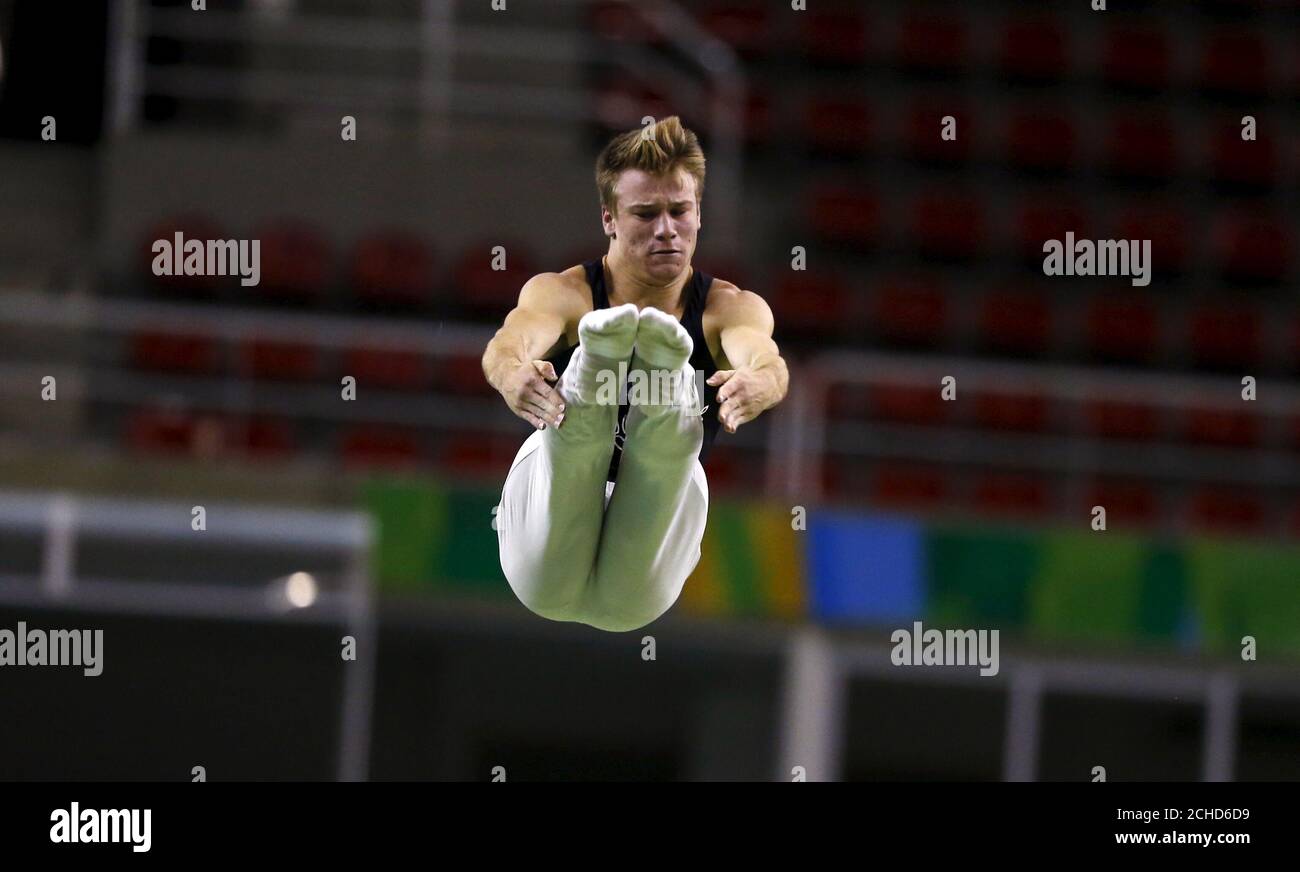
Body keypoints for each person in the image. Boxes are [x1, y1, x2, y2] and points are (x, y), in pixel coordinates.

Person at [482, 116, 789, 632]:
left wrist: (762, 382)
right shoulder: (564, 294)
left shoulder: (728, 309)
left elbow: (767, 359)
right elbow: (508, 344)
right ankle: (598, 364)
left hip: (651, 543)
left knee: (670, 453)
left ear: (699, 214)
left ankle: (655, 382)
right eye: (645, 213)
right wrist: (511, 373)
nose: (666, 229)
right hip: (546, 507)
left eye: (680, 211)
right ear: (609, 219)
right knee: (573, 440)